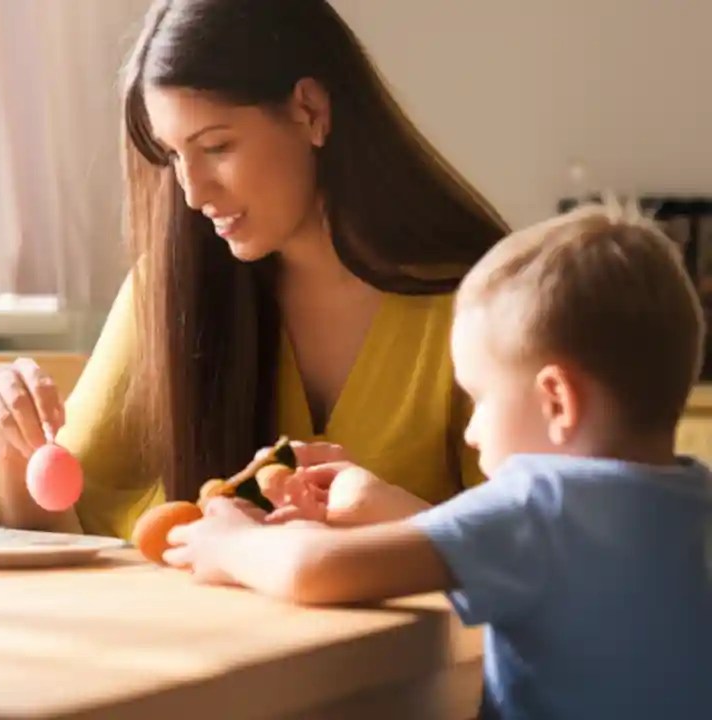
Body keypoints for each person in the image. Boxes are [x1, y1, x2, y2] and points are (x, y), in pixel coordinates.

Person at [0, 0, 509, 539]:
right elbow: (60, 534)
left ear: (310, 111)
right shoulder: (166, 294)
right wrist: (17, 456)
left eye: (216, 146)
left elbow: (538, 555)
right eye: (173, 157)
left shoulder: (480, 305)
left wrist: (393, 518)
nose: (192, 192)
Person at [165, 202, 712, 718]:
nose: (472, 432)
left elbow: (319, 572)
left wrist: (234, 544)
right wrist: (381, 505)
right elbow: (530, 561)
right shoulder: (691, 503)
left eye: (479, 398)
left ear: (557, 402)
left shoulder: (542, 502)